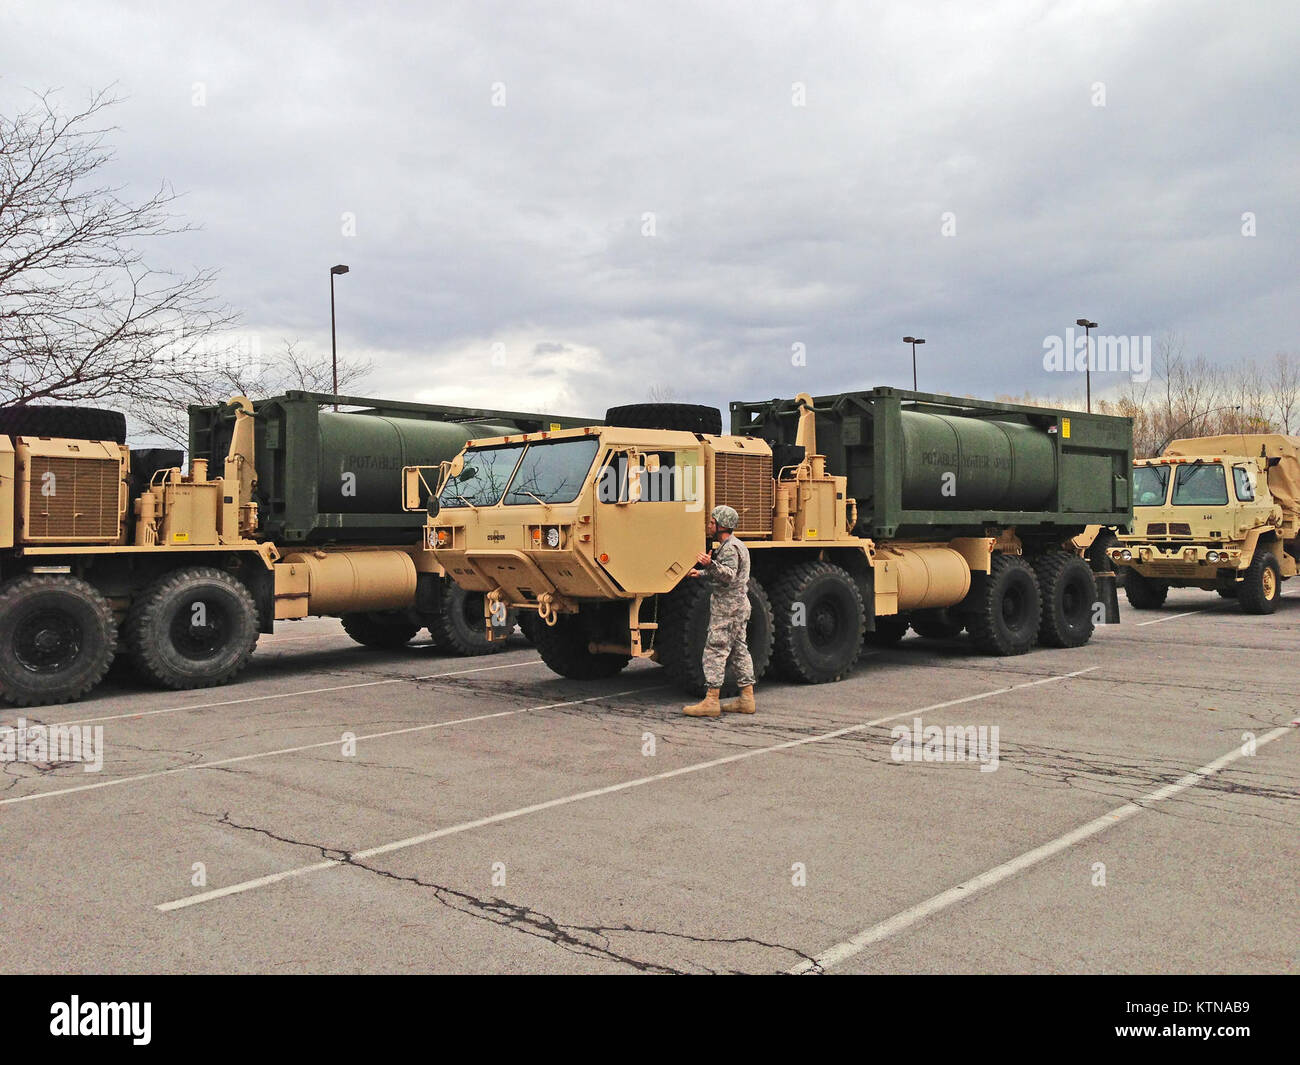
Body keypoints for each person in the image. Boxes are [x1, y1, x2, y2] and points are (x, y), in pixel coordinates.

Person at [683, 505, 756, 717]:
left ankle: (712, 700)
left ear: (722, 526)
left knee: (715, 649)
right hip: (738, 606)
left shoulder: (730, 548)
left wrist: (710, 564)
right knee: (739, 650)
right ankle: (747, 698)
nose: (709, 526)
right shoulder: (736, 545)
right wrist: (702, 573)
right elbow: (725, 573)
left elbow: (729, 575)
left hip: (727, 608)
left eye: (712, 522)